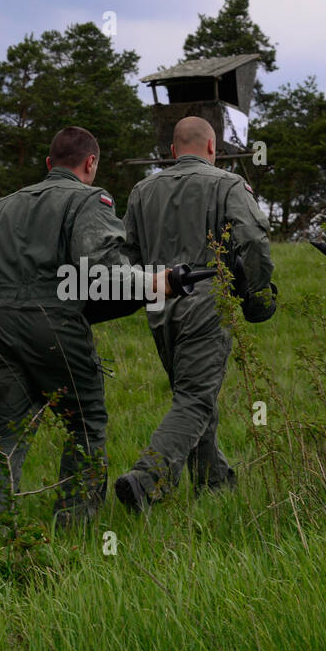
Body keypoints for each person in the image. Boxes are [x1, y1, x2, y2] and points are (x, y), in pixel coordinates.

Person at [0, 127, 169, 537]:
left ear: (49, 164)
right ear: (90, 164)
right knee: (85, 424)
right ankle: (75, 528)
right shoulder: (90, 200)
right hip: (56, 323)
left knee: (2, 434)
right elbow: (103, 270)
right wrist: (156, 283)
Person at [115, 116, 275, 511]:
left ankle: (215, 484)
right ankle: (146, 478)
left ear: (172, 151)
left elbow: (126, 255)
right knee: (196, 399)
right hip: (206, 298)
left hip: (158, 303)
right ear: (212, 148)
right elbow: (253, 238)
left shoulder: (141, 191)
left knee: (193, 394)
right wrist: (255, 295)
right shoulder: (226, 183)